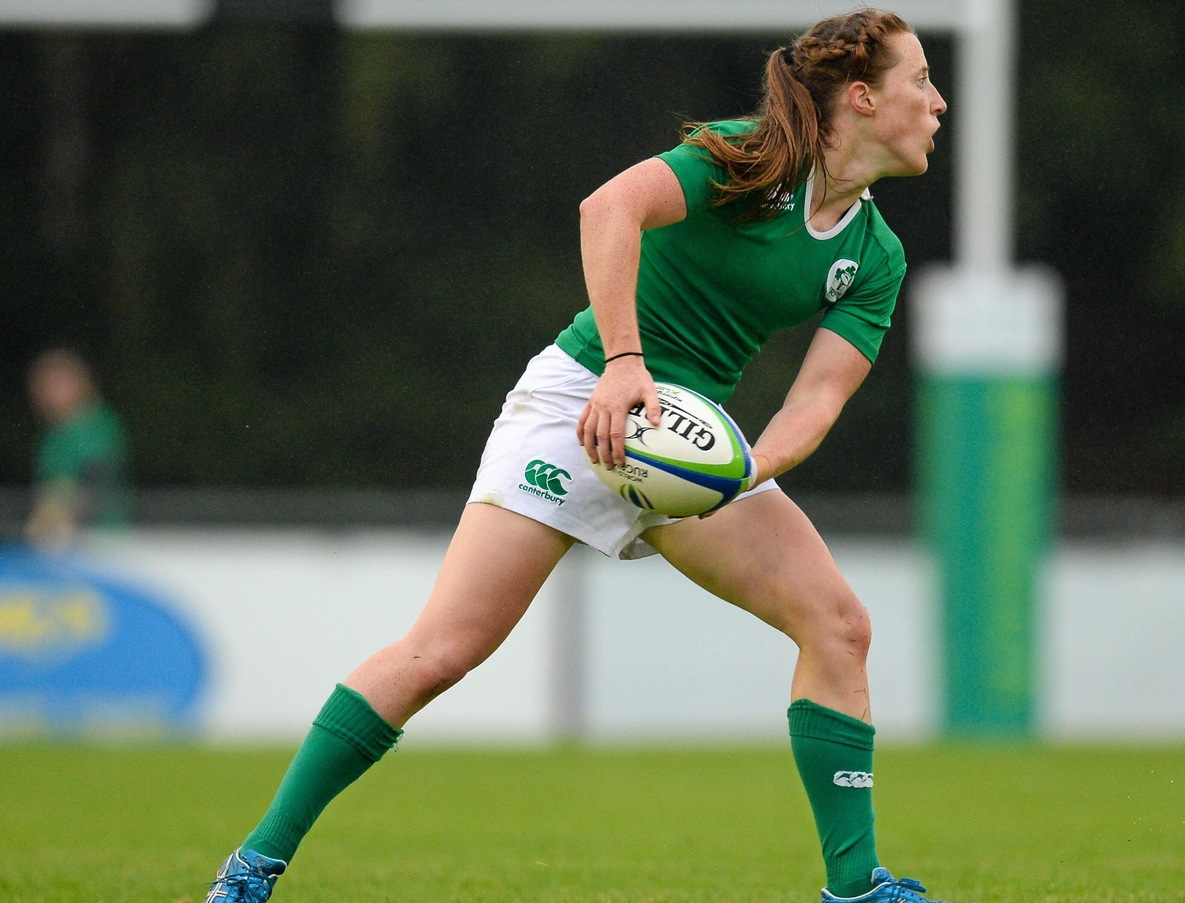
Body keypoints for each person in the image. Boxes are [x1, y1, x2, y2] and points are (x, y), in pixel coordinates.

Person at [204, 10, 949, 903]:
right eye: (920, 81)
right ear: (861, 97)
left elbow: (815, 400)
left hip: (685, 441)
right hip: (581, 402)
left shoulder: (875, 255)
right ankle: (250, 871)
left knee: (840, 625)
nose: (938, 102)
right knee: (441, 651)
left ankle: (856, 888)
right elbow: (610, 208)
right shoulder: (749, 157)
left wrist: (738, 474)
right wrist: (625, 362)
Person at [25, 348, 129, 551]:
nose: (49, 391)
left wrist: (62, 519)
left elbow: (97, 482)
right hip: (61, 542)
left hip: (97, 542)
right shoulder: (53, 435)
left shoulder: (97, 426)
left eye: (58, 382)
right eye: (44, 384)